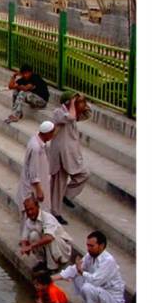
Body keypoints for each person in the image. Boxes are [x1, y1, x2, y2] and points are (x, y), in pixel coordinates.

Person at [54, 230, 126, 303]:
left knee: (87, 286)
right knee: (77, 277)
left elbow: (95, 281)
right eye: (87, 245)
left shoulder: (108, 261)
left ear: (101, 246)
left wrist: (81, 271)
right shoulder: (90, 256)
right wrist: (53, 278)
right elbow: (74, 269)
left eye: (91, 246)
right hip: (100, 291)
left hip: (112, 300)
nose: (88, 248)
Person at [48, 91, 91, 223]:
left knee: (84, 174)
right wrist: (73, 103)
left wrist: (83, 100)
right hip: (60, 154)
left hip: (71, 155)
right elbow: (71, 117)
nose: (82, 105)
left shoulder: (73, 113)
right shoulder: (59, 112)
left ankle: (67, 195)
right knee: (58, 184)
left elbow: (88, 114)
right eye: (79, 103)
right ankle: (56, 213)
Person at [19, 195, 74, 271]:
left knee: (48, 239)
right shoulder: (29, 221)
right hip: (48, 248)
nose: (30, 212)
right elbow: (24, 238)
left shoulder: (47, 217)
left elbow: (49, 237)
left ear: (37, 207)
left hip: (61, 247)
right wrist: (24, 247)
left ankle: (52, 267)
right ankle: (42, 261)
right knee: (33, 235)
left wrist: (30, 246)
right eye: (27, 210)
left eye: (32, 209)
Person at [15, 120, 56, 219]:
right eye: (52, 133)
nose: (53, 136)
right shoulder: (36, 148)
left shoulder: (36, 139)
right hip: (32, 188)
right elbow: (34, 173)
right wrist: (39, 190)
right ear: (47, 133)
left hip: (37, 182)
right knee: (31, 214)